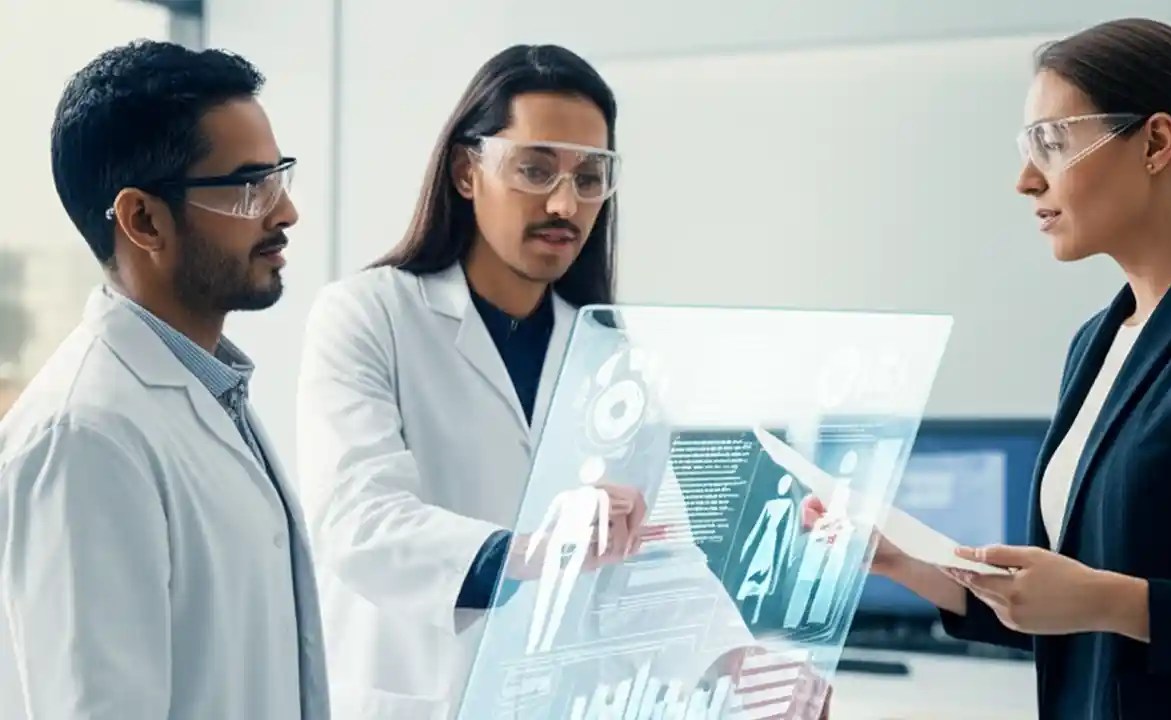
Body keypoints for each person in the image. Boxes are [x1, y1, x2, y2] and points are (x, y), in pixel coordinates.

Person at [296, 45, 829, 719]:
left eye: (589, 177)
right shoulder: (369, 315)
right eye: (535, 169)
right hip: (414, 698)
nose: (564, 202)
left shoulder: (611, 354)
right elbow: (358, 520)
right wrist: (536, 553)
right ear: (467, 170)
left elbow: (656, 555)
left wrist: (735, 662)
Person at [837, 18, 1171, 720]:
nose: (1025, 178)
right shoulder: (1095, 343)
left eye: (1052, 142)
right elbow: (1063, 616)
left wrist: (1113, 601)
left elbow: (1102, 605)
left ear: (1156, 143)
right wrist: (909, 563)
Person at [0, 41, 328, 719]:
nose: (285, 211)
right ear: (143, 219)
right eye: (249, 186)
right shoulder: (84, 436)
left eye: (279, 176)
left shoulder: (210, 389)